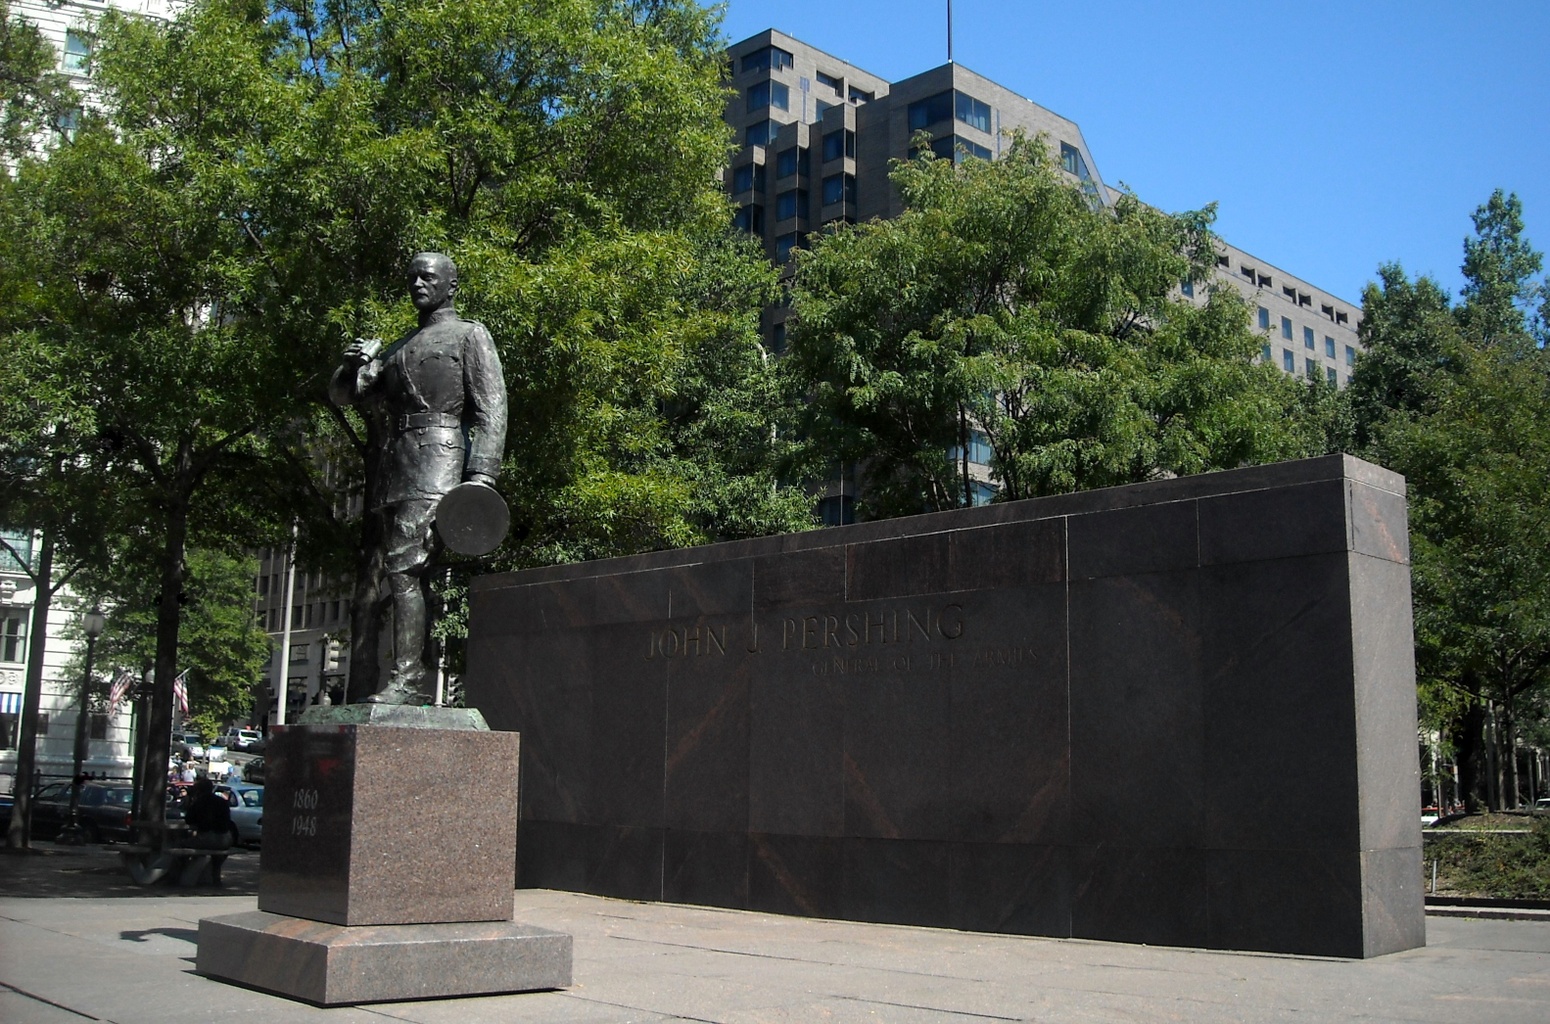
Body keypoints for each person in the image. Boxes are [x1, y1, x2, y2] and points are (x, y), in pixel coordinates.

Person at [328, 252, 508, 705]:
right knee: (403, 570)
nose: (417, 284)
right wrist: (351, 365)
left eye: (427, 277)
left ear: (451, 285)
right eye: (411, 277)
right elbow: (347, 395)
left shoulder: (470, 335)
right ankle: (408, 679)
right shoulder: (399, 347)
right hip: (399, 465)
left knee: (404, 567)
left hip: (441, 460)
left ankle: (408, 680)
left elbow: (492, 408)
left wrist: (481, 476)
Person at [183, 777, 233, 884]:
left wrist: (190, 802)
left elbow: (189, 820)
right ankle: (214, 877)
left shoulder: (200, 802)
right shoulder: (222, 802)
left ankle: (181, 877)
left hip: (208, 838)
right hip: (225, 839)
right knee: (216, 854)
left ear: (198, 790)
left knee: (180, 845)